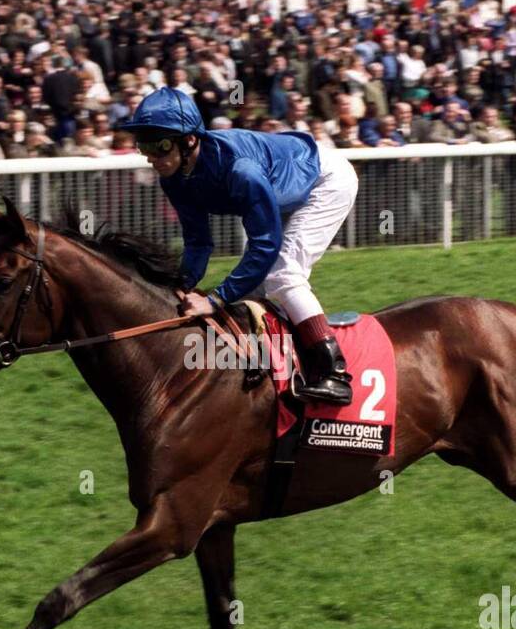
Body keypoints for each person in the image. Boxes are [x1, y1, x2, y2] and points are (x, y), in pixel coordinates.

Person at [122, 86, 358, 405]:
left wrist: (216, 299)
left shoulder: (240, 170)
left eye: (159, 145)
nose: (151, 156)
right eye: (144, 146)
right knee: (255, 289)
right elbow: (198, 241)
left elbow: (265, 245)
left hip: (324, 180)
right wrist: (182, 285)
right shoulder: (173, 177)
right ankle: (278, 365)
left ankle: (335, 373)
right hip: (283, 188)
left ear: (190, 139)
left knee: (282, 274)